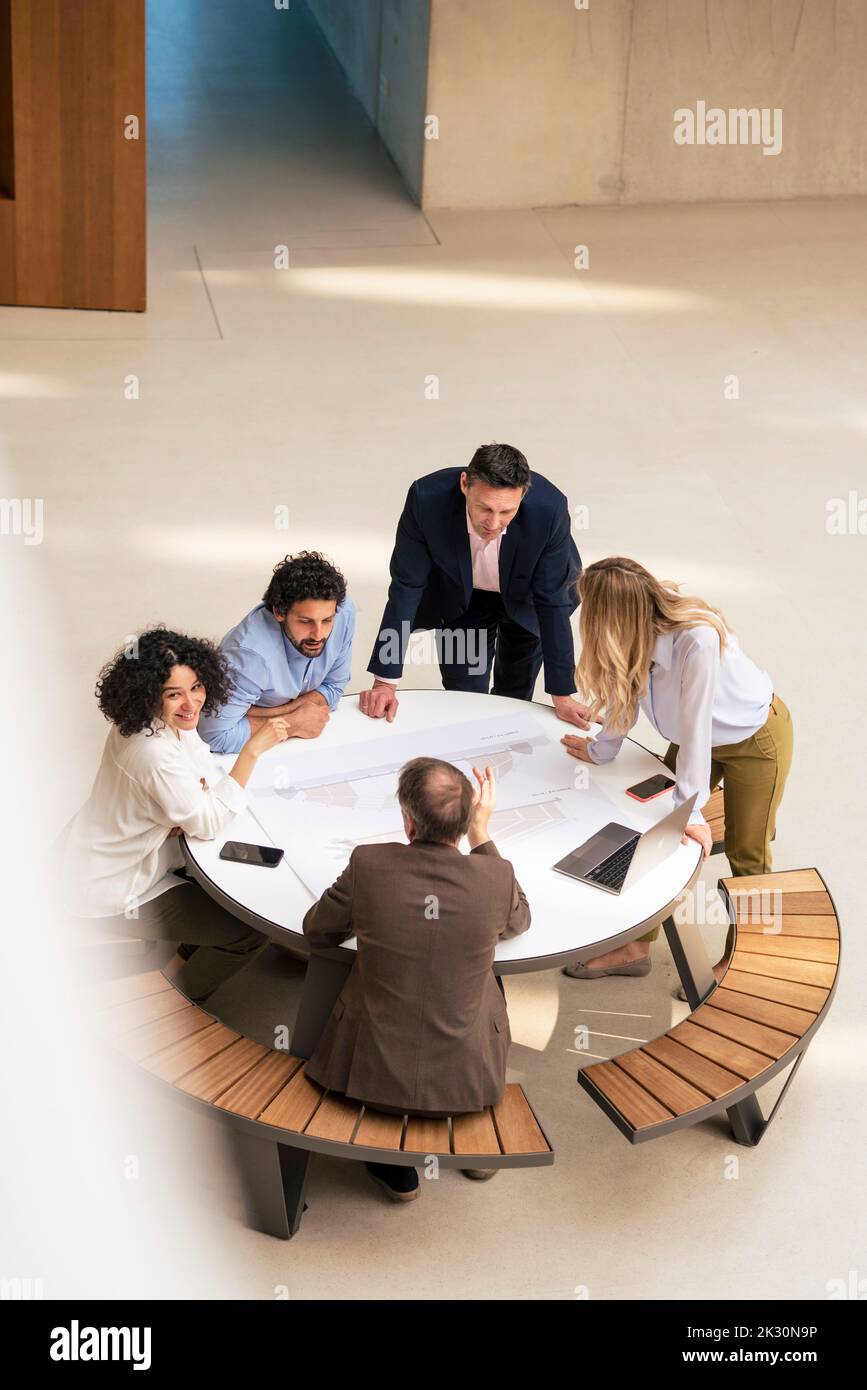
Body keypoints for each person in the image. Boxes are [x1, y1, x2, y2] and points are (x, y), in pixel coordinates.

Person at [303, 759, 530, 1203]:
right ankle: (470, 1132)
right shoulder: (495, 876)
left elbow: (318, 931)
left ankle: (394, 1166)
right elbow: (519, 921)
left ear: (408, 821)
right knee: (487, 974)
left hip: (368, 1077)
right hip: (470, 1080)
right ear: (465, 821)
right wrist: (482, 834)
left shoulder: (370, 863)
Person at [560, 557, 793, 984]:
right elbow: (626, 688)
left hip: (755, 742)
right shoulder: (634, 632)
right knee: (654, 831)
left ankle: (746, 960)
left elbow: (697, 728)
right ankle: (636, 948)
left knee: (748, 854)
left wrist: (691, 811)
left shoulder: (696, 641)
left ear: (612, 613)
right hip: (697, 740)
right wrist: (601, 750)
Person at [61, 627, 290, 1003]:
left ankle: (181, 958)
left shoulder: (157, 723)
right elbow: (208, 822)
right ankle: (177, 1003)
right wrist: (252, 751)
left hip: (99, 854)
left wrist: (192, 805)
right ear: (149, 693)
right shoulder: (151, 752)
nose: (190, 703)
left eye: (196, 687)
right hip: (114, 887)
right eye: (173, 694)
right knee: (249, 932)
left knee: (225, 881)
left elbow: (201, 770)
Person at [359, 442, 591, 729]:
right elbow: (407, 587)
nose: (494, 523)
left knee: (515, 695)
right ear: (464, 484)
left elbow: (552, 600)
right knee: (464, 695)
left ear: (523, 494)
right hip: (462, 597)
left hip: (528, 599)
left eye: (506, 511)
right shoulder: (425, 499)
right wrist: (385, 682)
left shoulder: (550, 508)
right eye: (485, 508)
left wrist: (563, 694)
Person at [198, 551, 355, 754]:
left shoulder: (343, 613)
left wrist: (263, 714)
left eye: (326, 620)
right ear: (279, 612)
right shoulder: (249, 657)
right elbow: (214, 736)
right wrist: (293, 723)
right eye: (305, 621)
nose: (318, 634)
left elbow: (334, 686)